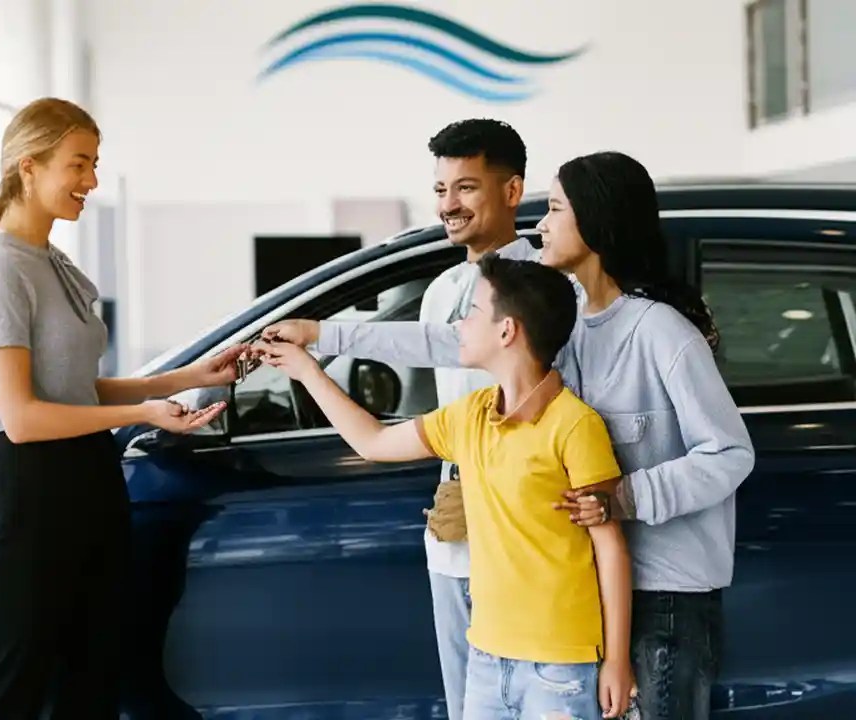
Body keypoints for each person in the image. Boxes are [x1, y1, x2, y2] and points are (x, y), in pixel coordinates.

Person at [264, 151, 753, 719]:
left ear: (595, 221)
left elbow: (730, 452)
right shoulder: (561, 326)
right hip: (588, 603)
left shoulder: (661, 333)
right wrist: (320, 337)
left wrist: (624, 496)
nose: (540, 223)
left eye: (557, 208)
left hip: (662, 596)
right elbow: (445, 344)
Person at [0, 97, 244, 719]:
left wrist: (186, 377)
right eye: (78, 164)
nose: (91, 181)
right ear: (28, 167)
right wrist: (143, 416)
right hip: (30, 493)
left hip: (89, 485)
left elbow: (78, 388)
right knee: (5, 693)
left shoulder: (54, 260)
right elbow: (24, 418)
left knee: (88, 685)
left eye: (94, 164)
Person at [253, 255, 636, 719]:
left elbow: (610, 547)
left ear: (506, 331)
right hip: (486, 657)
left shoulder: (576, 426)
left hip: (560, 666)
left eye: (472, 311)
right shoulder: (469, 415)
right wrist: (306, 369)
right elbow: (372, 441)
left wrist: (616, 660)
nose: (460, 324)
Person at [274, 117, 540, 720]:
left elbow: (438, 344)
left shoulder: (542, 289)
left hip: (522, 527)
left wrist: (321, 332)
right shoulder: (444, 285)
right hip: (454, 523)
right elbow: (427, 378)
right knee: (467, 704)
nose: (450, 204)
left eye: (466, 187)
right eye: (442, 189)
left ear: (512, 191)